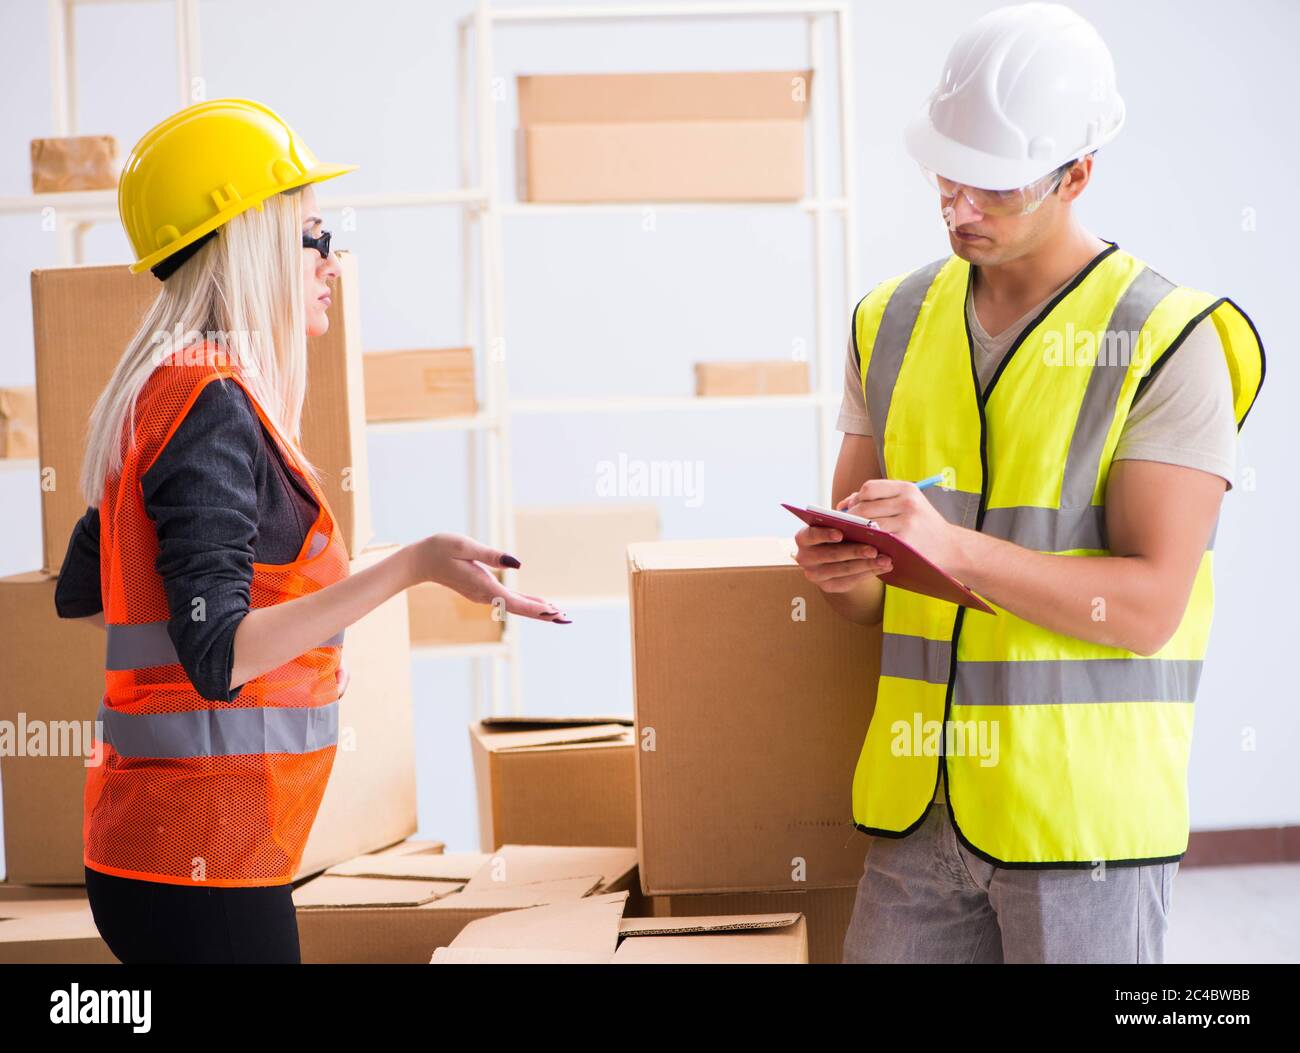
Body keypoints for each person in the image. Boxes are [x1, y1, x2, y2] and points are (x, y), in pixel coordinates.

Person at [792, 4, 1265, 964]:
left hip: (1082, 830)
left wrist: (951, 545)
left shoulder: (1166, 339)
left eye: (993, 190)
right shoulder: (889, 322)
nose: (959, 209)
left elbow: (1146, 609)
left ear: (1077, 174)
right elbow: (869, 601)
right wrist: (844, 577)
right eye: (947, 180)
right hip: (915, 812)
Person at [54, 98, 568, 964]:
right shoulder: (207, 407)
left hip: (177, 857)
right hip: (200, 863)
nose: (332, 262)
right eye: (315, 238)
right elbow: (218, 654)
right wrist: (412, 565)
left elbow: (85, 585)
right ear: (249, 245)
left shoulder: (169, 392)